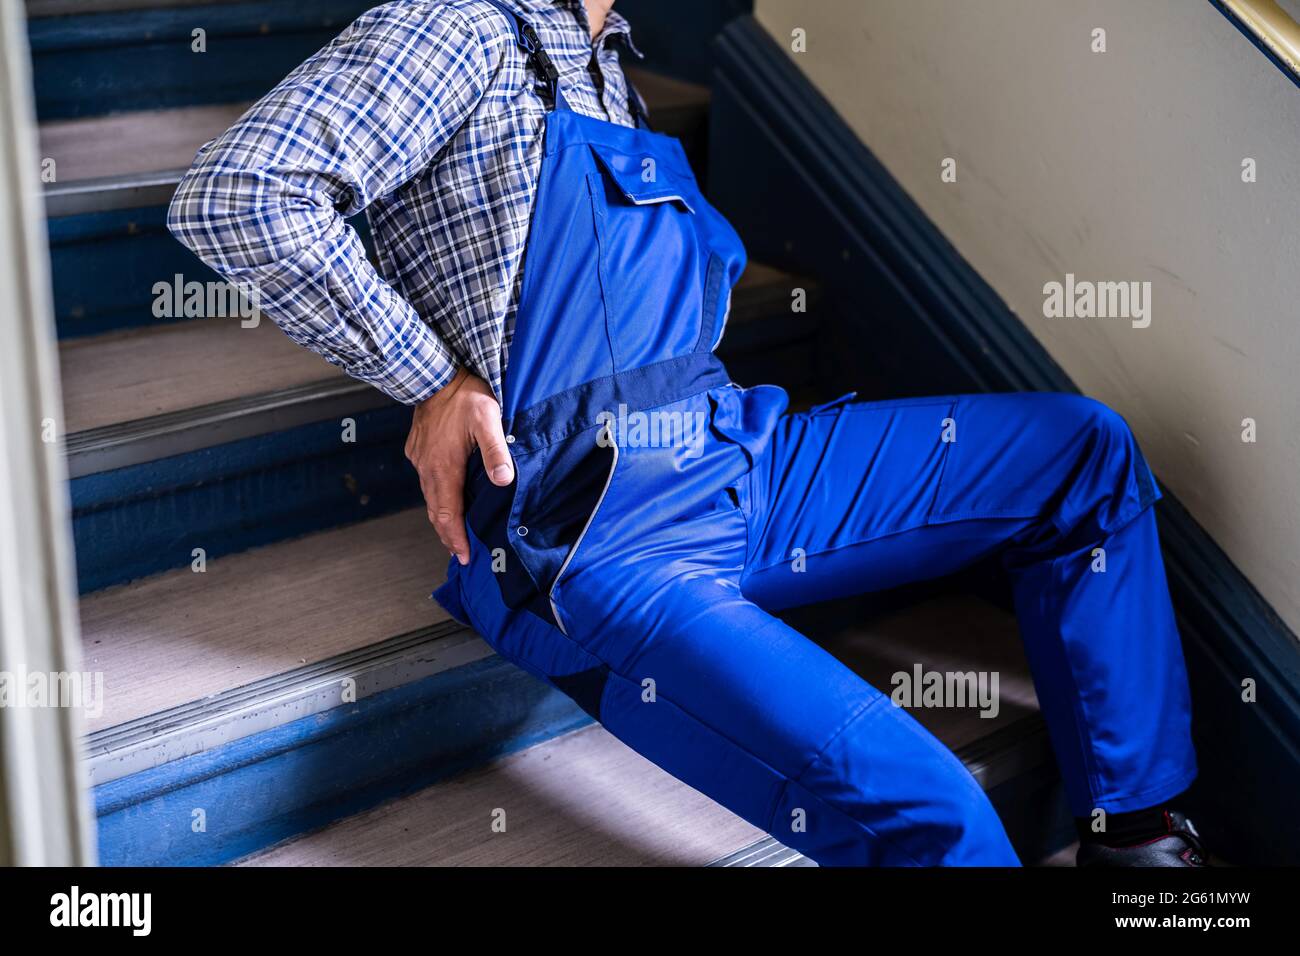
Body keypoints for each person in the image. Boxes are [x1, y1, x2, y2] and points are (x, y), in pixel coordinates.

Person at [168, 0, 1204, 866]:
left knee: (1083, 452)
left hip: (736, 455)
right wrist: (432, 377)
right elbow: (238, 195)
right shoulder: (458, 29)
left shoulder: (606, 63)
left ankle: (1137, 847)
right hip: (596, 536)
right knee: (937, 815)